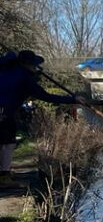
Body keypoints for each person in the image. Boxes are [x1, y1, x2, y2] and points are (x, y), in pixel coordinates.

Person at [1, 51, 75, 187]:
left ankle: (3, 173)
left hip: (5, 110)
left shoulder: (6, 67)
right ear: (27, 64)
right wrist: (73, 99)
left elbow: (5, 59)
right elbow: (47, 97)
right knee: (8, 142)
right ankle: (4, 176)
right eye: (34, 65)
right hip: (4, 111)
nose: (36, 67)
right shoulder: (25, 79)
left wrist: (10, 56)